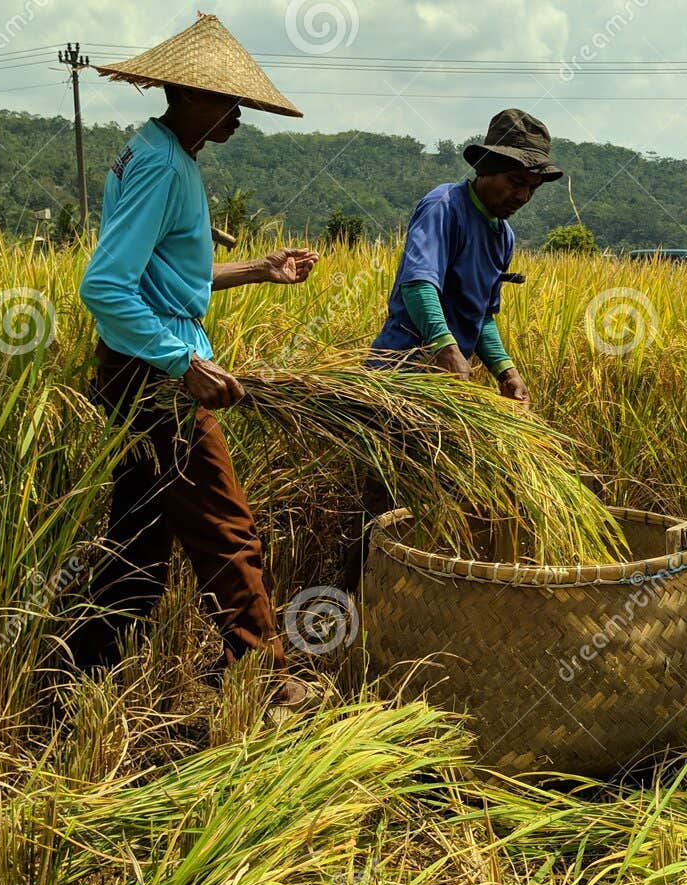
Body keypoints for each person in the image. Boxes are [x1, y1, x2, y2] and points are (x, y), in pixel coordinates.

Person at [70, 16, 319, 704]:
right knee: (226, 527)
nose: (237, 116)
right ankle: (264, 679)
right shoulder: (160, 165)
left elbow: (163, 275)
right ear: (187, 95)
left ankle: (85, 674)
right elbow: (105, 285)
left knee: (140, 536)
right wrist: (182, 363)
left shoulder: (159, 154)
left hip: (139, 368)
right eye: (227, 102)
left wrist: (260, 270)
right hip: (154, 380)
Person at [341, 109, 564, 590]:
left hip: (446, 383)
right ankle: (356, 596)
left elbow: (481, 313)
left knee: (438, 497)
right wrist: (445, 347)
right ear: (485, 167)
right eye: (514, 182)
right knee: (384, 499)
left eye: (532, 187)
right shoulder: (444, 206)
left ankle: (420, 596)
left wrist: (506, 372)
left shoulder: (502, 236)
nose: (522, 196)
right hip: (401, 374)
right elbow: (420, 285)